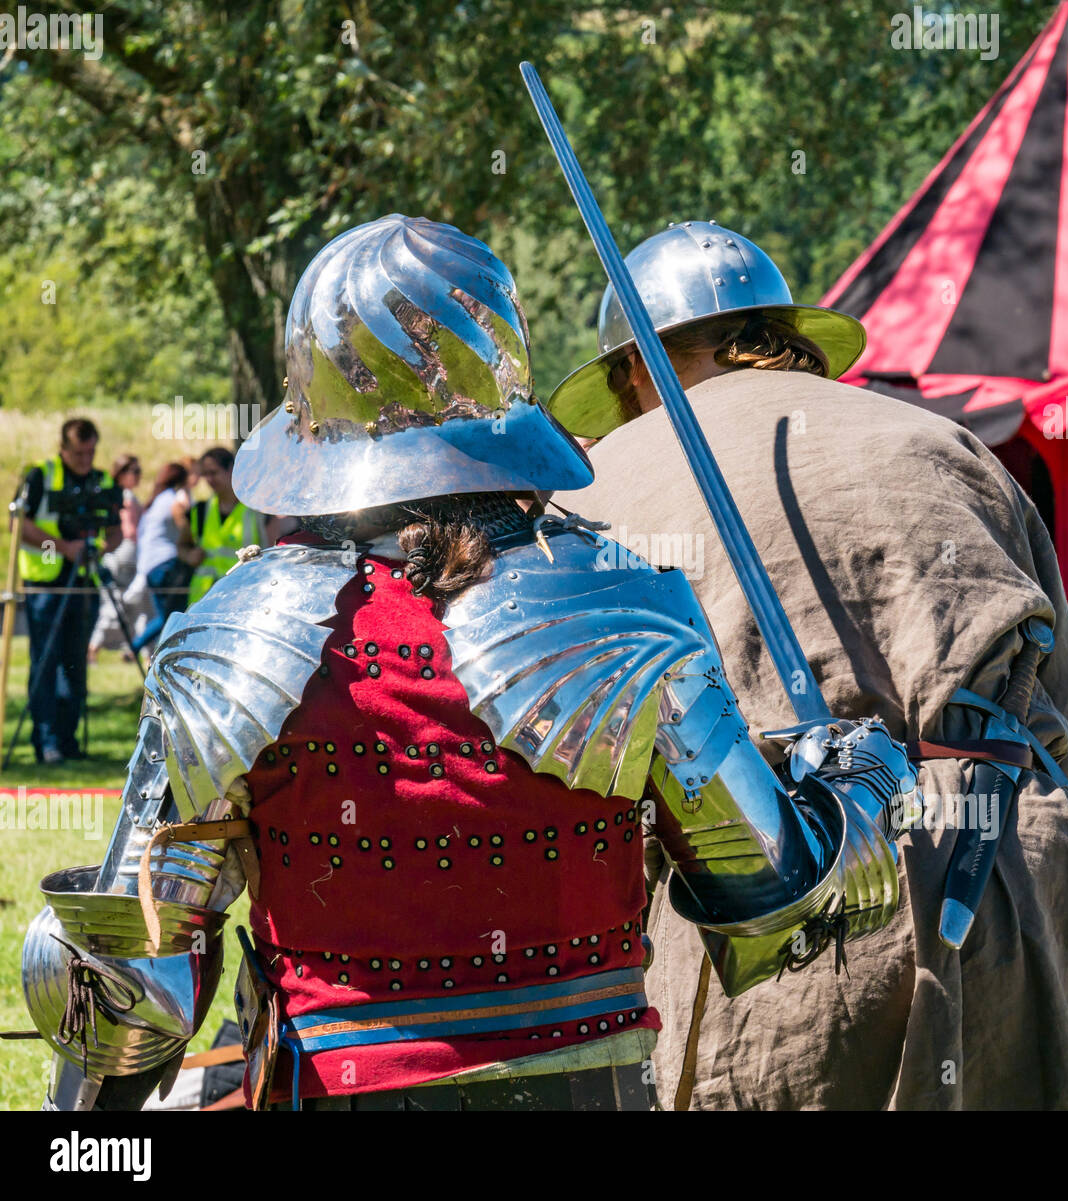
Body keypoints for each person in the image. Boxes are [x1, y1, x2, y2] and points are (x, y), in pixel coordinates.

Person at [20, 215, 915, 1112]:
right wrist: (859, 774)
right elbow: (780, 899)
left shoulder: (234, 638)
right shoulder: (625, 606)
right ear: (503, 379)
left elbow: (131, 993)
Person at [549, 220, 1068, 1109]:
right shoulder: (941, 441)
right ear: (784, 342)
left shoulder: (585, 495)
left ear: (635, 370)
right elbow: (1065, 736)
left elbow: (563, 764)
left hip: (769, 911)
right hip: (1020, 868)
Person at [14, 417, 121, 764]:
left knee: (75, 663)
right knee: (45, 662)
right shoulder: (40, 476)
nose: (85, 460)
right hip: (45, 583)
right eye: (78, 454)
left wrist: (98, 549)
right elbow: (20, 524)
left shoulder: (102, 481)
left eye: (90, 453)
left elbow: (116, 532)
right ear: (63, 448)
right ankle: (46, 742)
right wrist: (62, 547)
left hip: (83, 584)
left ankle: (68, 740)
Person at [177, 446, 262, 604]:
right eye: (205, 475)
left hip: (243, 595)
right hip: (203, 598)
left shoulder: (256, 509)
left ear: (231, 469)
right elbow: (182, 545)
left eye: (213, 472)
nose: (209, 479)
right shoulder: (201, 510)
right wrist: (189, 556)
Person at [127, 462, 191, 654]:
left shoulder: (155, 501)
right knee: (173, 615)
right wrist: (190, 541)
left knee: (164, 615)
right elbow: (183, 524)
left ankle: (144, 650)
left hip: (149, 565)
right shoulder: (173, 499)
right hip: (166, 563)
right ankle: (138, 647)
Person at [88, 454, 147, 659]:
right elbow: (129, 530)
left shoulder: (121, 494)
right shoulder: (126, 497)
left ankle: (100, 649)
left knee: (120, 608)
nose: (139, 475)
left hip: (121, 557)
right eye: (135, 471)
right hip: (124, 558)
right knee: (115, 608)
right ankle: (93, 648)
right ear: (123, 473)